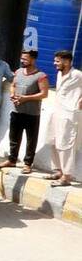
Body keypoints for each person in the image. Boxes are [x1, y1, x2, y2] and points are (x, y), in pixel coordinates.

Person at [3, 49, 50, 174]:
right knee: (13, 137)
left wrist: (26, 98)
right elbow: (13, 85)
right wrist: (13, 95)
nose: (22, 61)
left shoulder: (41, 76)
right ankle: (12, 160)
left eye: (25, 59)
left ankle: (27, 164)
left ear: (33, 60)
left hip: (32, 113)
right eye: (22, 58)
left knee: (31, 139)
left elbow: (44, 94)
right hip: (16, 111)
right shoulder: (18, 72)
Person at [50, 50, 82, 185]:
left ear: (67, 62)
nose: (55, 63)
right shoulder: (59, 73)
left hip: (69, 114)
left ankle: (67, 176)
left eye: (58, 61)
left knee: (66, 144)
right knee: (54, 142)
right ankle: (59, 171)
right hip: (57, 111)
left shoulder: (77, 75)